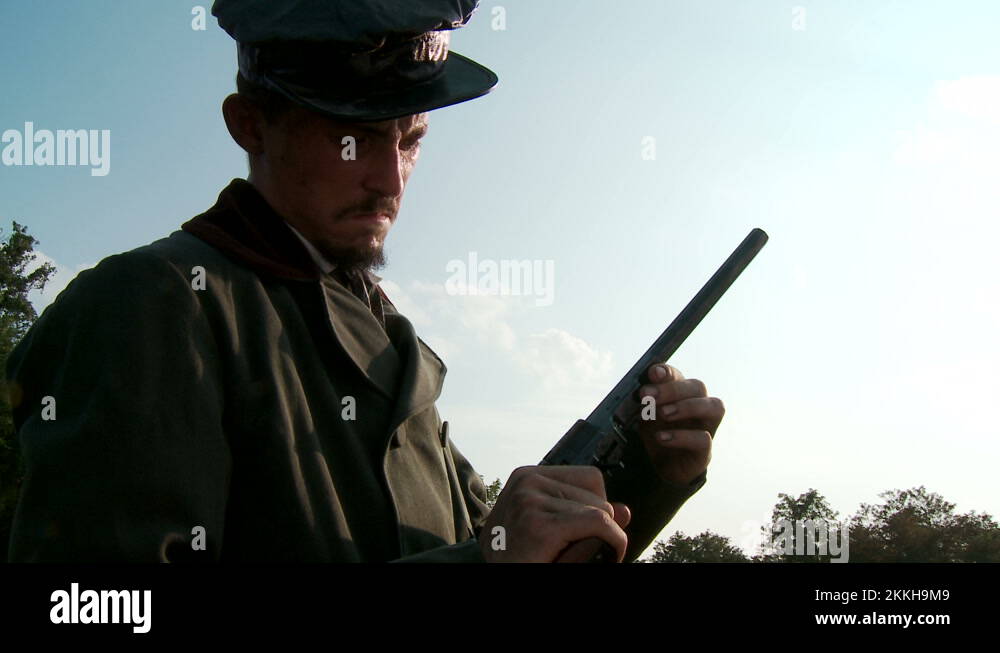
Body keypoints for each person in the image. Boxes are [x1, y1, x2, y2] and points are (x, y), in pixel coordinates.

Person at [5, 0, 724, 563]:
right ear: (249, 125)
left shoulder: (385, 338)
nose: (389, 179)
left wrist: (646, 478)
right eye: (351, 136)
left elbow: (480, 537)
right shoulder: (150, 305)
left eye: (409, 139)